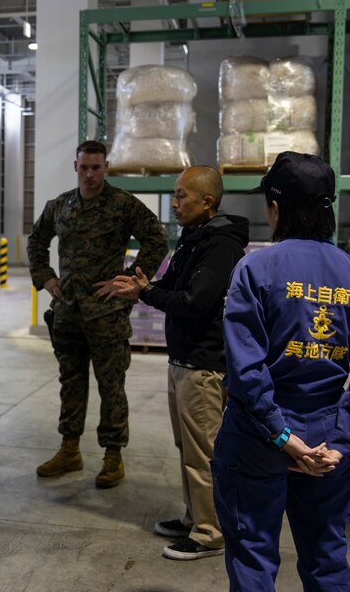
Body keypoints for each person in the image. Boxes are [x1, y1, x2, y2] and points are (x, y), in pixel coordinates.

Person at [213, 152, 350, 592]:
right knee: (326, 559)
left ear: (275, 208)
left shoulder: (255, 268)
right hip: (326, 439)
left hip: (258, 438)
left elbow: (247, 371)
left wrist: (281, 436)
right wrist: (339, 442)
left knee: (253, 560)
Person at [94, 166, 249, 560]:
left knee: (203, 453)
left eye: (182, 196)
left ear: (207, 202)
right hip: (183, 361)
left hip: (202, 365)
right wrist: (142, 288)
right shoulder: (195, 239)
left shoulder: (221, 246)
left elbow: (195, 302)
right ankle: (194, 515)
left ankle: (210, 533)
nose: (175, 203)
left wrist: (145, 292)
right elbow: (172, 289)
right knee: (187, 448)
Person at [28, 139, 168, 488]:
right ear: (75, 166)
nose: (90, 174)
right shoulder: (61, 206)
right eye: (84, 167)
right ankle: (70, 449)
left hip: (106, 314)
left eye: (97, 167)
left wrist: (129, 280)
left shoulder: (122, 205)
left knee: (111, 387)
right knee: (71, 384)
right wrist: (46, 277)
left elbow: (156, 239)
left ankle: (112, 456)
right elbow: (36, 240)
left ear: (106, 168)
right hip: (68, 313)